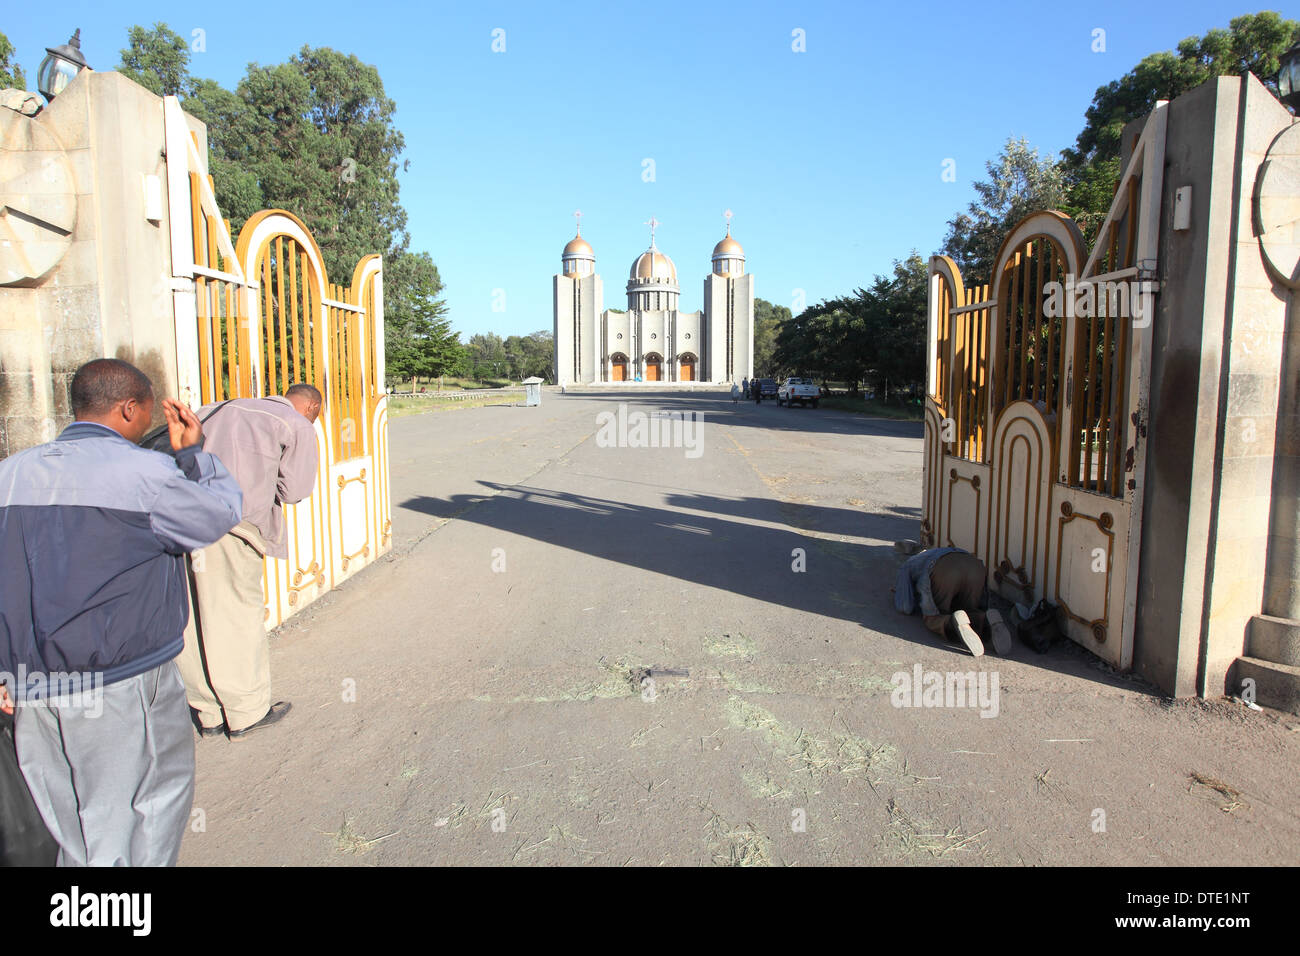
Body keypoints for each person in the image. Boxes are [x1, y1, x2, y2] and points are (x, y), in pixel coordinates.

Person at [0, 358, 242, 865]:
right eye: (147, 411)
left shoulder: (10, 474)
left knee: (75, 828)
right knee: (144, 812)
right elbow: (217, 514)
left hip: (31, 688)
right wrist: (194, 454)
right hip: (120, 683)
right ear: (130, 408)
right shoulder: (144, 474)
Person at [179, 384, 322, 739]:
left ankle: (208, 713)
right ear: (311, 407)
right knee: (236, 614)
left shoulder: (211, 409)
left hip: (182, 518)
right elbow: (295, 491)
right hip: (233, 526)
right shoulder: (294, 423)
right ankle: (246, 712)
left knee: (192, 616)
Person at [893, 546, 1012, 657]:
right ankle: (986, 619)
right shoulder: (939, 550)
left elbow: (905, 606)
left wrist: (900, 592)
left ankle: (951, 621)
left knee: (934, 617)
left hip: (944, 568)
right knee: (969, 610)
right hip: (975, 566)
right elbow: (981, 598)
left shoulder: (910, 563)